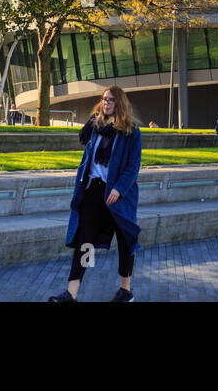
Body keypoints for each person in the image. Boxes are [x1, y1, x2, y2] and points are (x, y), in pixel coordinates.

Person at [50, 86, 142, 302]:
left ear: (119, 103)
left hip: (119, 195)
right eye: (103, 99)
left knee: (125, 240)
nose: (106, 103)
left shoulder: (131, 131)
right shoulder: (96, 126)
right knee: (86, 240)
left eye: (110, 100)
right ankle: (71, 293)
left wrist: (119, 189)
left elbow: (132, 166)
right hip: (94, 191)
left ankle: (125, 290)